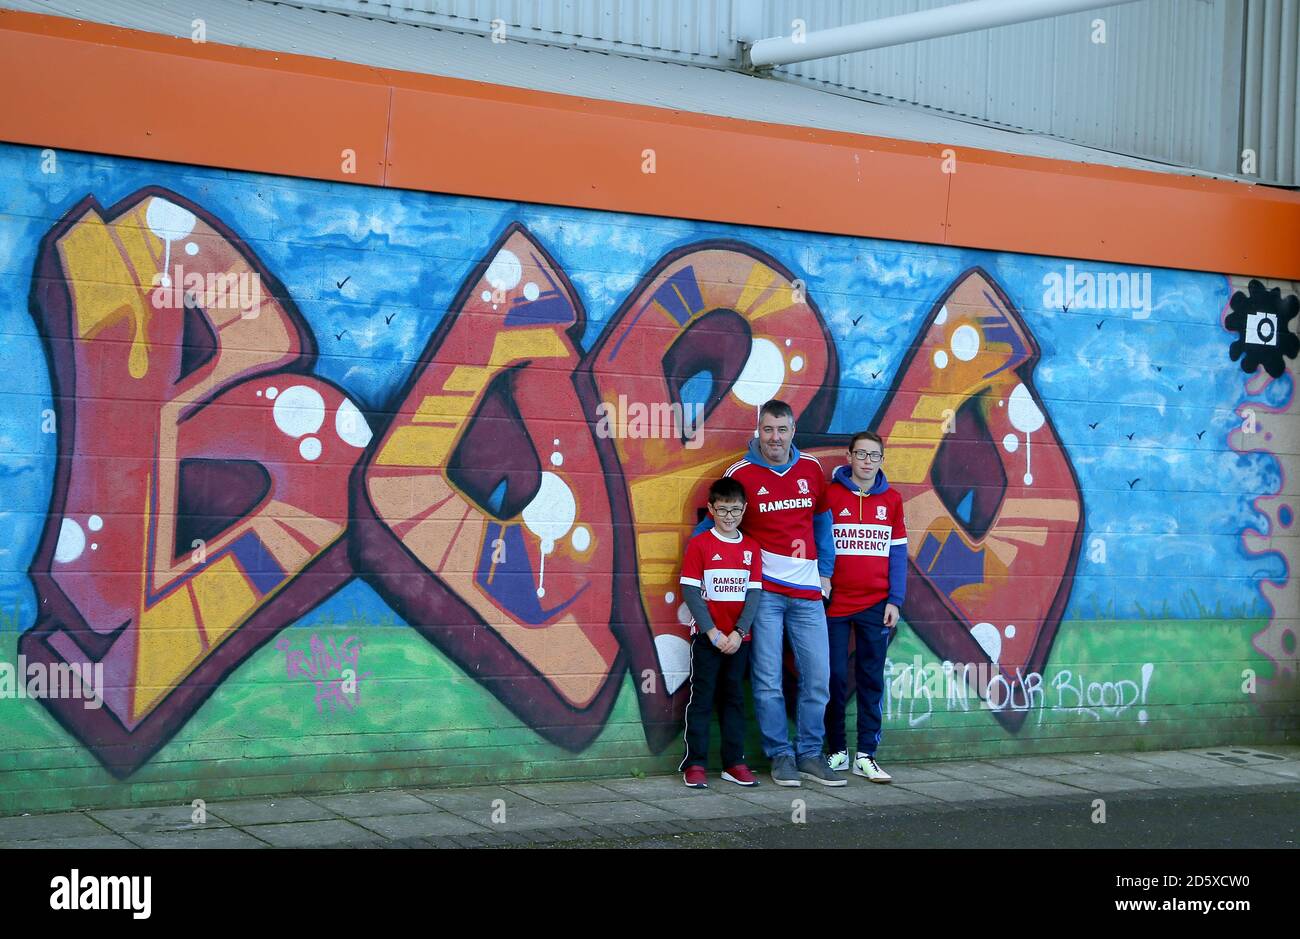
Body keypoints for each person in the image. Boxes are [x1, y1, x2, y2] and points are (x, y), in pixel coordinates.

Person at [700, 399, 843, 787]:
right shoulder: (741, 472)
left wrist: (826, 573)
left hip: (808, 592)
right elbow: (716, 524)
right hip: (763, 596)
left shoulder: (811, 469)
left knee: (818, 677)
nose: (774, 437)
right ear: (757, 431)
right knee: (766, 680)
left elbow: (821, 521)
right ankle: (780, 755)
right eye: (767, 430)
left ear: (793, 431)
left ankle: (811, 754)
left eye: (781, 430)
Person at [821, 430, 907, 782]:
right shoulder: (829, 496)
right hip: (836, 603)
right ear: (849, 457)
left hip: (876, 605)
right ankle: (837, 751)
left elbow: (898, 553)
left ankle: (866, 755)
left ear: (881, 460)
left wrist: (895, 600)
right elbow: (818, 544)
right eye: (861, 454)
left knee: (871, 679)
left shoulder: (893, 500)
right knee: (835, 678)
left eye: (874, 455)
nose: (867, 461)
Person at [677, 478, 763, 788]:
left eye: (736, 510)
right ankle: (696, 764)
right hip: (707, 639)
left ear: (745, 510)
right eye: (723, 509)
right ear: (712, 509)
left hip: (739, 641)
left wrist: (739, 633)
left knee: (734, 700)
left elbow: (753, 595)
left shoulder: (752, 548)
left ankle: (734, 763)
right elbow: (689, 590)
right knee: (701, 700)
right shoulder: (700, 544)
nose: (729, 516)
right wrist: (713, 633)